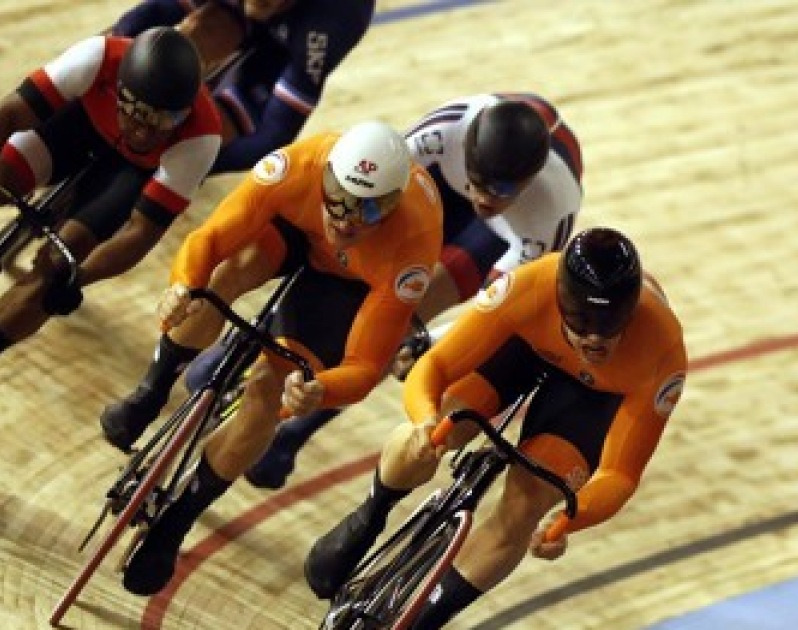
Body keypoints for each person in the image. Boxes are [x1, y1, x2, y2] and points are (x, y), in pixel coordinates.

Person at [106, 120, 444, 596]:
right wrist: (184, 284)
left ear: (391, 205)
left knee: (268, 386)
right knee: (224, 277)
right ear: (326, 177)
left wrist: (319, 389)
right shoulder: (296, 167)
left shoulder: (415, 242)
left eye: (369, 210)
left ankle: (177, 521)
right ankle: (153, 386)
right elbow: (210, 238)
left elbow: (366, 365)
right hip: (292, 232)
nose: (348, 220)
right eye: (342, 201)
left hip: (348, 286)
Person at [302, 227, 687, 628]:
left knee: (525, 506)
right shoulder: (530, 285)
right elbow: (434, 367)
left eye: (609, 326)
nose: (594, 338)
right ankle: (372, 512)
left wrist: (568, 520)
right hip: (525, 347)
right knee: (441, 429)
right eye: (582, 321)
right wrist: (425, 417)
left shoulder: (663, 350)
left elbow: (620, 474)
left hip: (594, 398)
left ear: (631, 312)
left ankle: (423, 619)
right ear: (561, 300)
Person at [0, 27, 221, 427]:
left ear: (183, 115)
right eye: (136, 113)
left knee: (55, 272)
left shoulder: (201, 138)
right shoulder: (97, 58)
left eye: (161, 122)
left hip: (126, 175)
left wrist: (78, 278)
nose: (143, 131)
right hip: (75, 127)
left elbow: (139, 233)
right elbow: (1, 118)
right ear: (118, 88)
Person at [246, 92, 585, 489]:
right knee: (360, 257)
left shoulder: (553, 210)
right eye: (478, 184)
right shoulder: (445, 133)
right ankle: (262, 332)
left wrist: (427, 340)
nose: (483, 198)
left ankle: (293, 435)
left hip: (505, 236)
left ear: (527, 182)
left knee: (401, 329)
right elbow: (367, 195)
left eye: (500, 192)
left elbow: (497, 313)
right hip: (437, 186)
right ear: (469, 159)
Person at [110, 0, 377, 175]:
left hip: (282, 52)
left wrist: (192, 164)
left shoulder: (337, 16)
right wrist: (108, 56)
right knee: (198, 28)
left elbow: (273, 135)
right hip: (229, 13)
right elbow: (155, 12)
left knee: (214, 130)